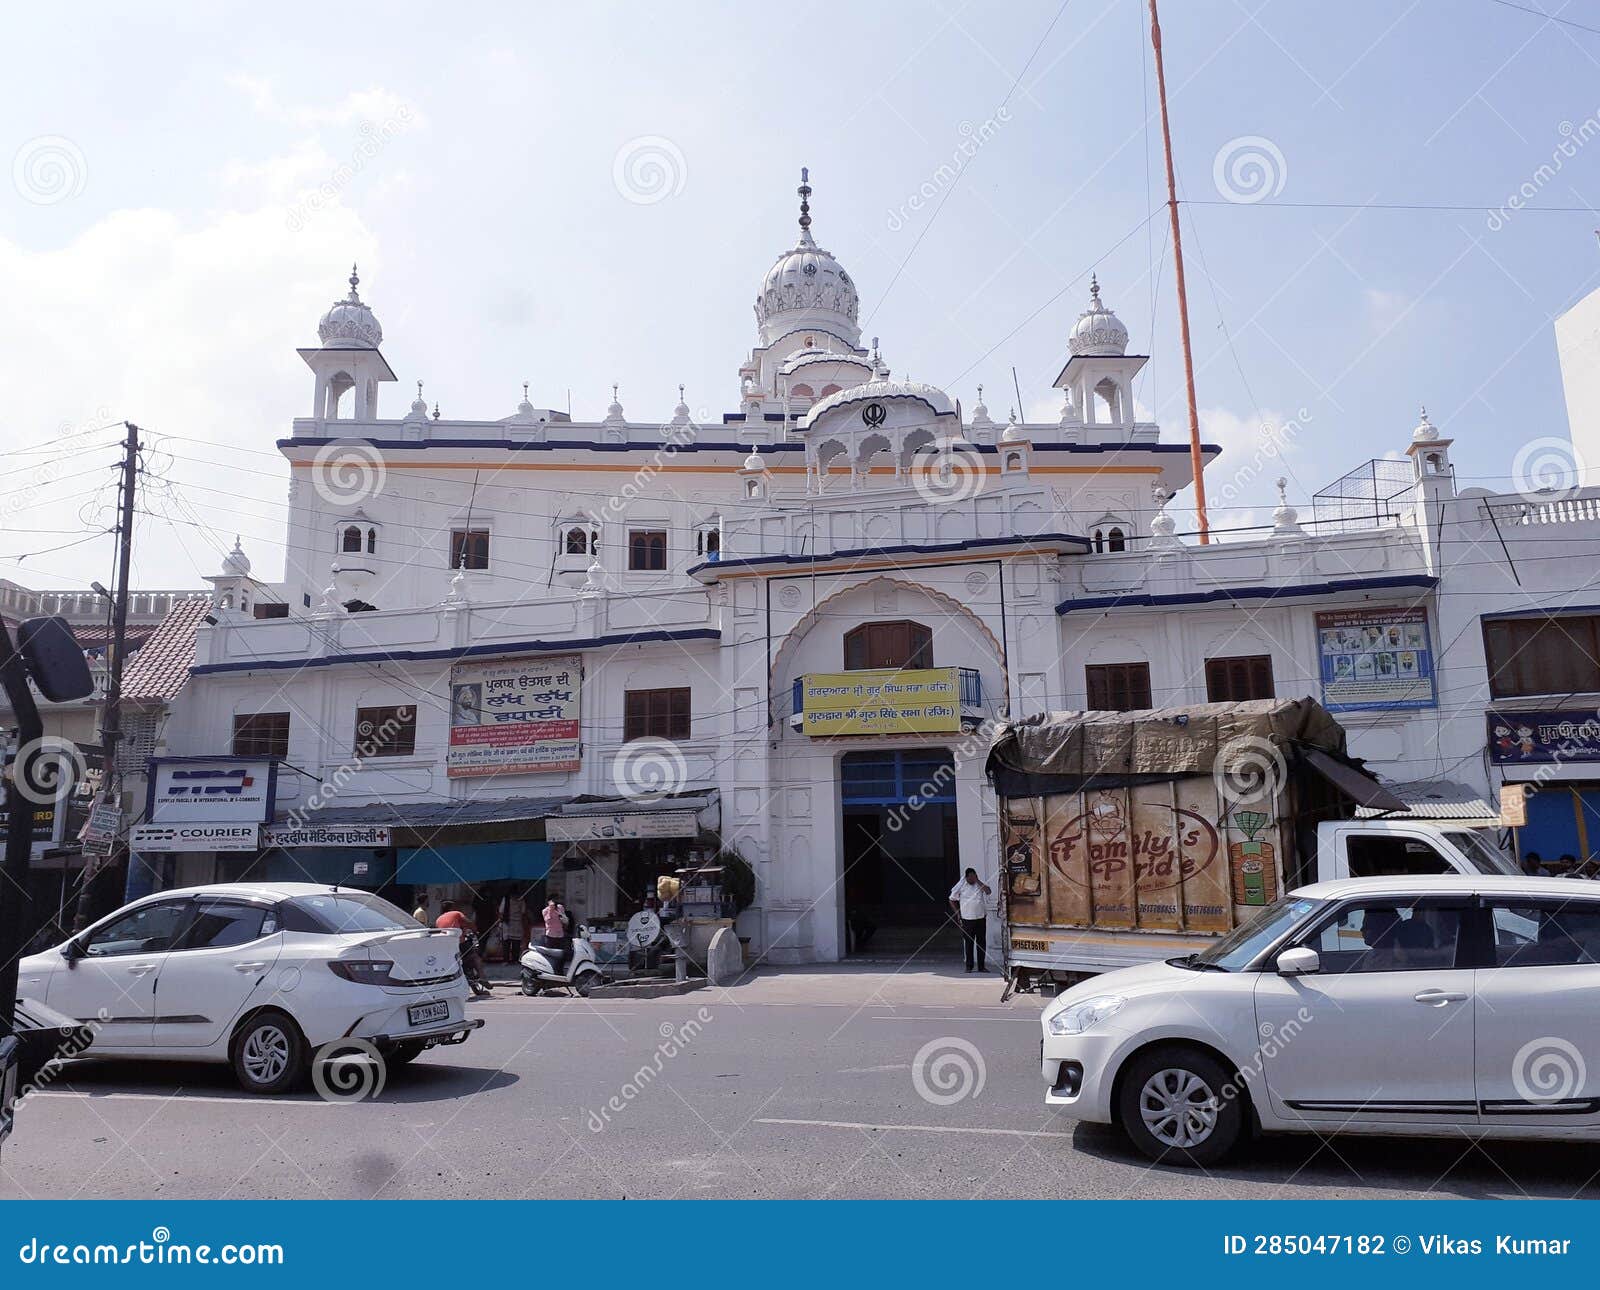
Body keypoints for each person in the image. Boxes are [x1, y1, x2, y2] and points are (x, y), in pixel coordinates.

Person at [949, 867, 992, 973]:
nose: (972, 880)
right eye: (971, 878)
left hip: (980, 918)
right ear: (966, 877)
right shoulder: (961, 884)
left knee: (981, 942)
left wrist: (977, 881)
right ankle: (969, 966)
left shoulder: (978, 883)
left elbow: (988, 891)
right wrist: (957, 913)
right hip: (967, 919)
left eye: (974, 877)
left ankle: (981, 966)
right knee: (969, 943)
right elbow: (951, 899)